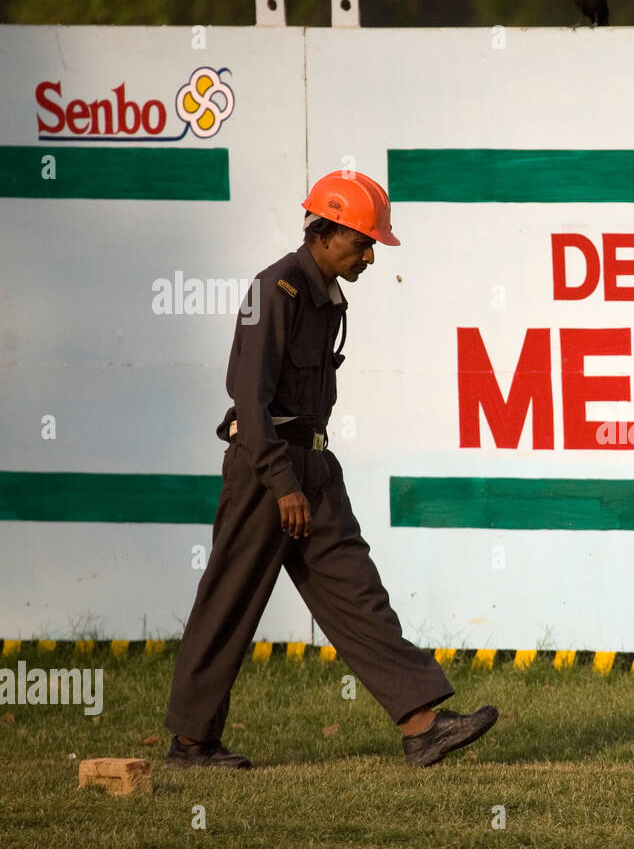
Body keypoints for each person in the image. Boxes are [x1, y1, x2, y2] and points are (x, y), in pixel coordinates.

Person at [163, 170, 497, 769]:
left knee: (356, 591)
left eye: (373, 244)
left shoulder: (325, 295)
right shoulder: (278, 289)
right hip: (268, 470)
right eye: (364, 242)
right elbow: (249, 395)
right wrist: (282, 482)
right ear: (328, 231)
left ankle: (422, 725)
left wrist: (306, 473)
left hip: (313, 463)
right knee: (229, 600)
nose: (370, 256)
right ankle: (191, 744)